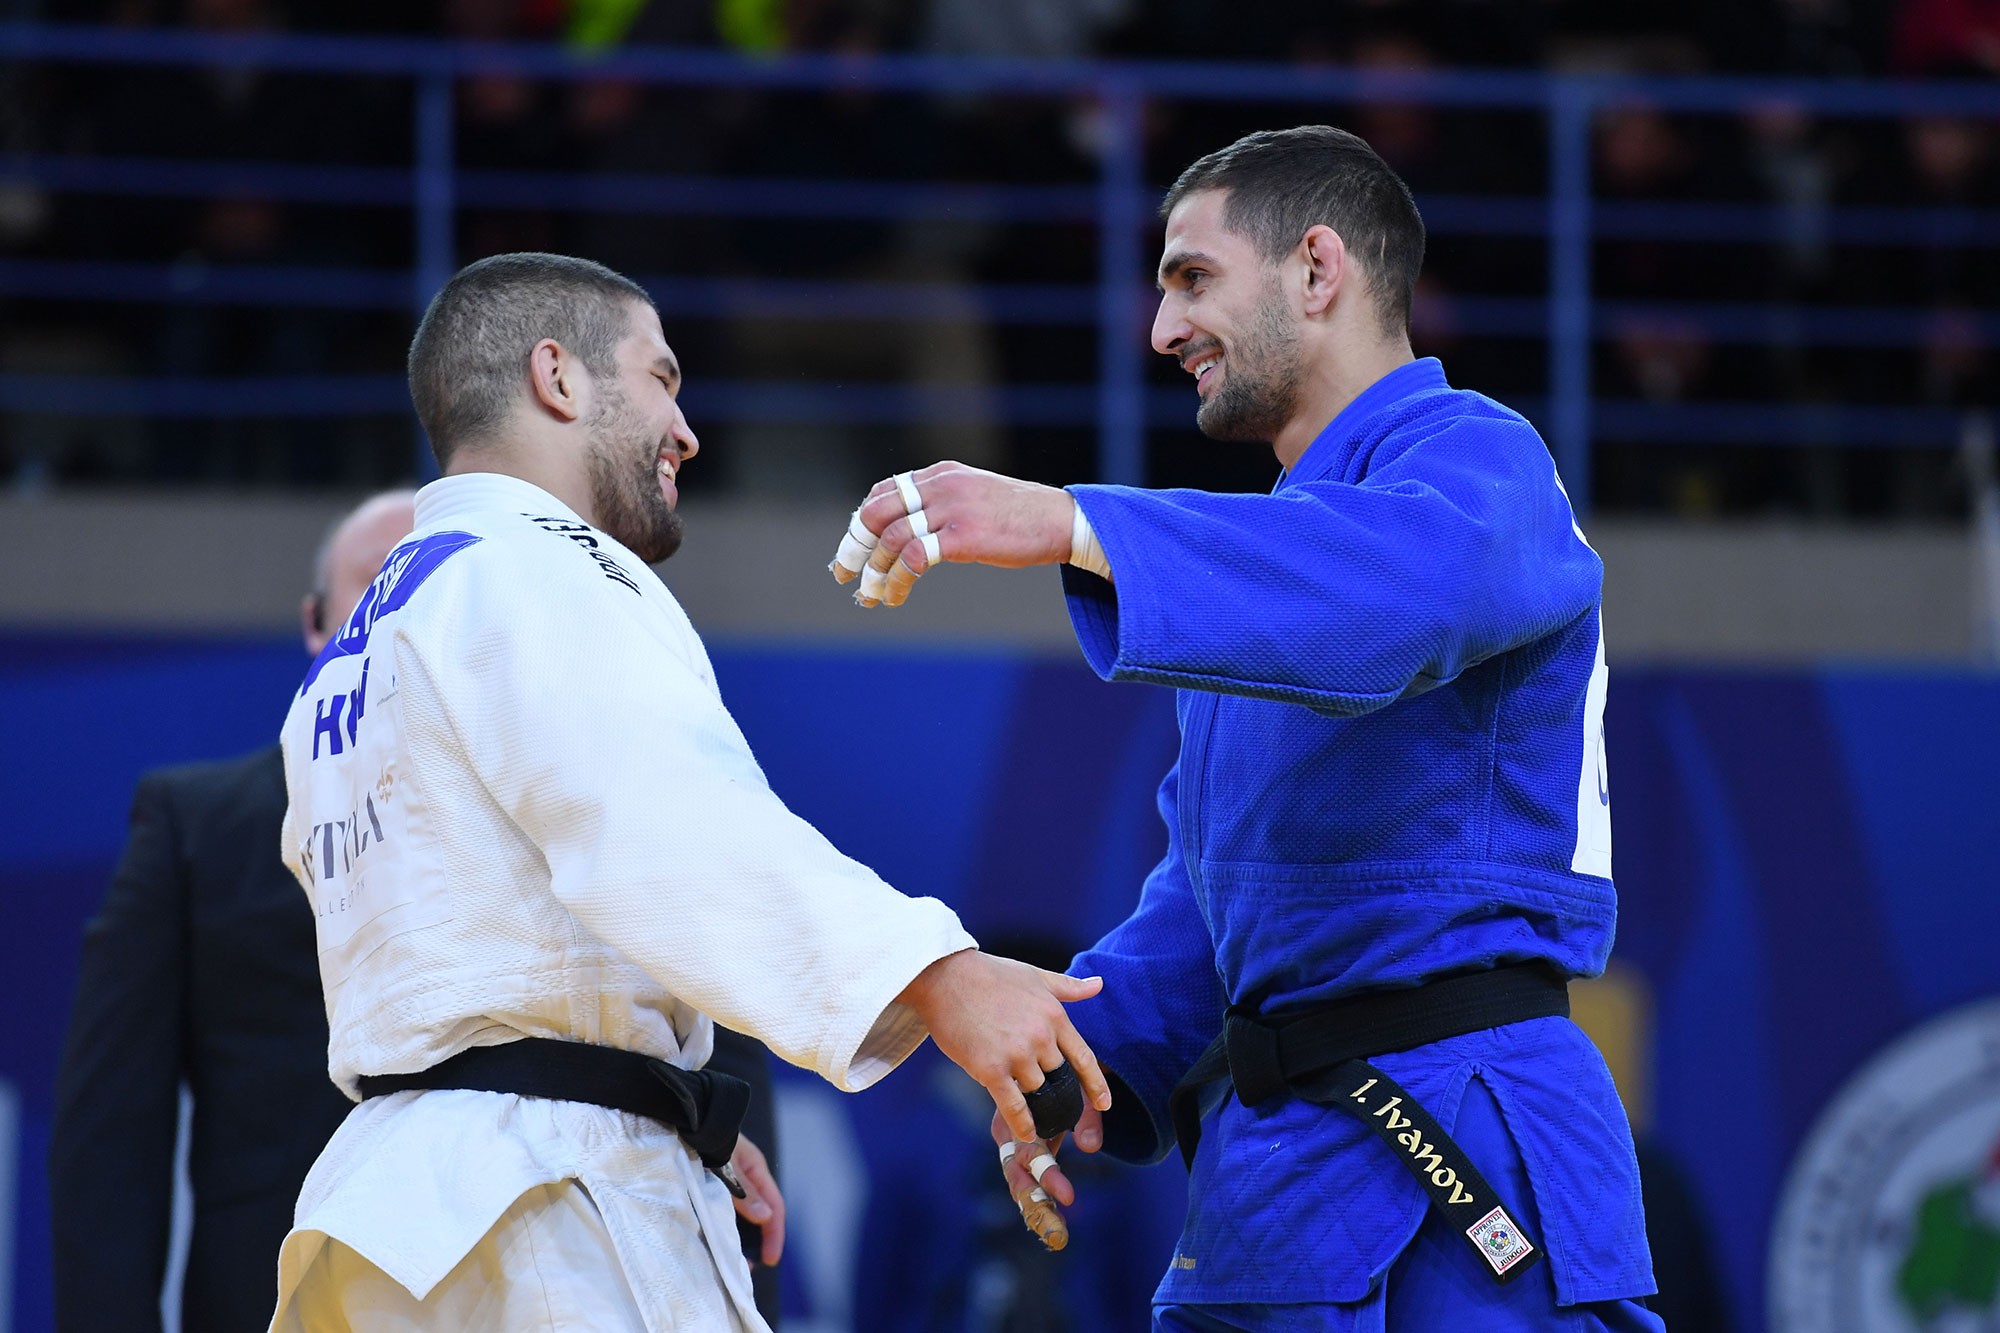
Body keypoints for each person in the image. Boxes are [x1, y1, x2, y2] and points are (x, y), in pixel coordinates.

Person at [834, 126, 1659, 1329]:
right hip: (1274, 1184)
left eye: (1190, 278)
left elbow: (1393, 601)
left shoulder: (1481, 465)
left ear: (1316, 271)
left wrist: (1073, 519)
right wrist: (1063, 1073)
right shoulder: (1271, 570)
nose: (1161, 331)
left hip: (1461, 1129)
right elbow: (1214, 901)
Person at [268, 251, 1111, 1332]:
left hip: (398, 1209)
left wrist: (671, 1101)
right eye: (661, 378)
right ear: (558, 380)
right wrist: (939, 977)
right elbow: (665, 827)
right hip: (537, 1214)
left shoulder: (365, 639)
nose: (686, 429)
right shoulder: (538, 564)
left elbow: (472, 943)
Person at [48, 490, 415, 1333]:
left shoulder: (564, 818)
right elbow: (109, 1142)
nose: (408, 609)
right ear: (316, 623)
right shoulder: (196, 828)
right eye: (377, 583)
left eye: (436, 582)